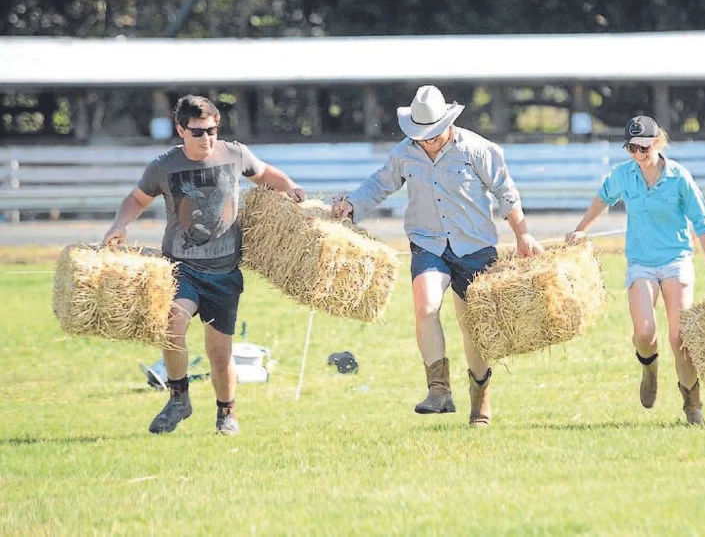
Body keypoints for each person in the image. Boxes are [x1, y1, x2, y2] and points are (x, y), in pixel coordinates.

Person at [331, 85, 544, 427]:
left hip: (474, 246)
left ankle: (480, 399)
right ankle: (438, 390)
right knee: (425, 305)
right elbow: (379, 184)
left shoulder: (477, 149)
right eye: (421, 136)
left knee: (473, 328)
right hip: (428, 243)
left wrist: (522, 235)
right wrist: (352, 204)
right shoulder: (405, 153)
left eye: (432, 135)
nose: (427, 142)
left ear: (448, 123)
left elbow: (506, 192)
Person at [103, 95, 306, 435]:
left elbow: (266, 174)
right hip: (181, 267)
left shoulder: (235, 154)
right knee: (171, 326)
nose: (206, 139)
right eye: (197, 132)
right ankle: (178, 397)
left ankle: (226, 413)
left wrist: (292, 187)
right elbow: (136, 199)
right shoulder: (163, 166)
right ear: (181, 130)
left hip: (224, 271)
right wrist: (119, 225)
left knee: (219, 351)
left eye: (211, 130)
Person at [566, 116, 705, 427]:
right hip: (641, 263)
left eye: (643, 147)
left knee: (680, 338)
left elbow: (703, 224)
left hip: (676, 260)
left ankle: (693, 405)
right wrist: (581, 229)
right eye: (631, 148)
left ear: (657, 142)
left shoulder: (679, 177)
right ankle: (649, 368)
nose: (637, 154)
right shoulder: (623, 175)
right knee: (644, 333)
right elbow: (602, 200)